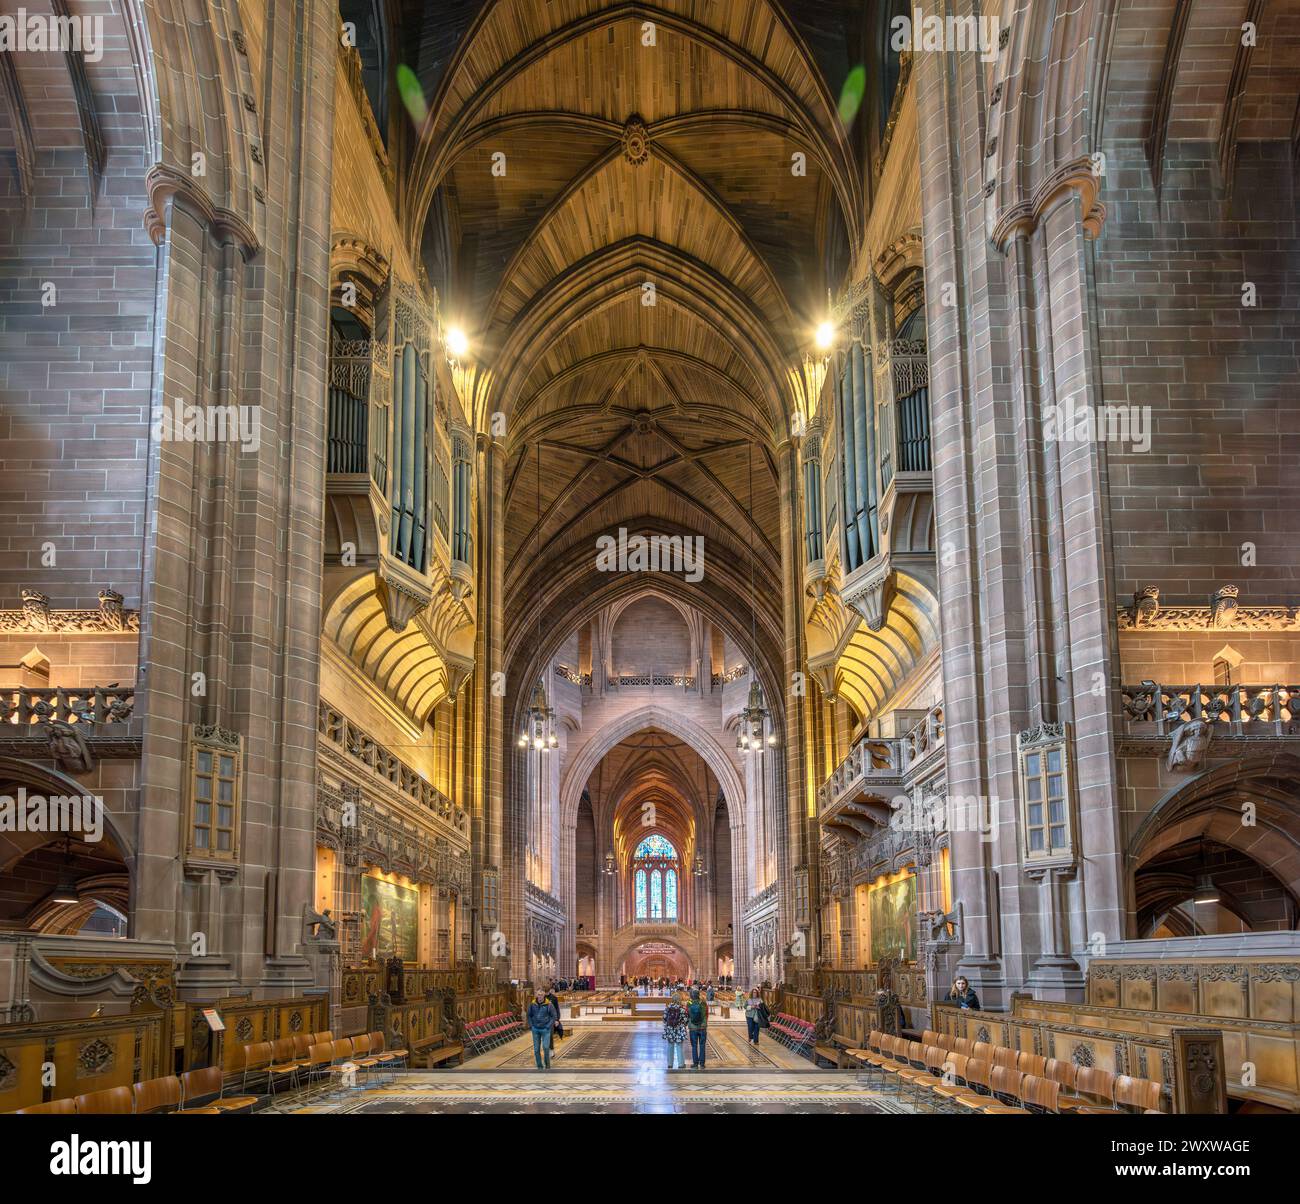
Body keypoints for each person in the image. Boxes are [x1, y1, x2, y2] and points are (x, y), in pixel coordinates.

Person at [528, 987, 558, 1069]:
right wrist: (531, 1026)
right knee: (536, 1049)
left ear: (544, 994)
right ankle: (539, 1066)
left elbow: (554, 1015)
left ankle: (547, 1064)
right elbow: (529, 1015)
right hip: (536, 1029)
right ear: (536, 995)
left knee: (545, 1047)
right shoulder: (532, 1004)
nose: (540, 996)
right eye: (538, 994)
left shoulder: (549, 1004)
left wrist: (548, 1026)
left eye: (541, 994)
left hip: (545, 1029)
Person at [663, 993, 687, 1070]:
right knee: (679, 1046)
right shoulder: (681, 1009)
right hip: (679, 1029)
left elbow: (664, 1019)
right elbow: (685, 1020)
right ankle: (681, 1064)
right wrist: (682, 1025)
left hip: (670, 1029)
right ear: (679, 999)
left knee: (670, 1046)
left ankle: (670, 1064)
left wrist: (669, 1025)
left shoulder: (667, 1008)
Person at [687, 988, 708, 1069]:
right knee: (702, 1045)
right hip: (702, 1027)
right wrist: (704, 1023)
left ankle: (695, 1064)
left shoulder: (689, 1003)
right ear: (698, 995)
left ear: (692, 995)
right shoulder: (703, 1002)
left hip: (693, 1028)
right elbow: (706, 1014)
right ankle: (702, 1064)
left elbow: (687, 1014)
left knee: (694, 1045)